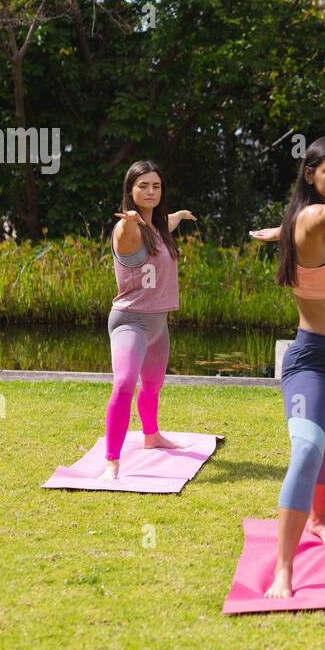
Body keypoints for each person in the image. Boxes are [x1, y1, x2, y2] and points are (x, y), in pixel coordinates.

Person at [250, 137, 325, 598]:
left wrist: (277, 231)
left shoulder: (311, 226)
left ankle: (319, 519)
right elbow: (312, 218)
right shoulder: (317, 218)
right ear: (310, 175)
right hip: (312, 363)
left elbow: (301, 224)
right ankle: (283, 569)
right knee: (306, 451)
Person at [99, 160, 196, 480]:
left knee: (153, 386)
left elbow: (164, 224)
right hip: (130, 322)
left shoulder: (156, 227)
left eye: (156, 185)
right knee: (125, 383)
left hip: (158, 324)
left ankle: (151, 436)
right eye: (143, 186)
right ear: (130, 190)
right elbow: (130, 230)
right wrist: (128, 222)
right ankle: (112, 461)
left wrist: (180, 215)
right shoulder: (127, 229)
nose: (150, 191)